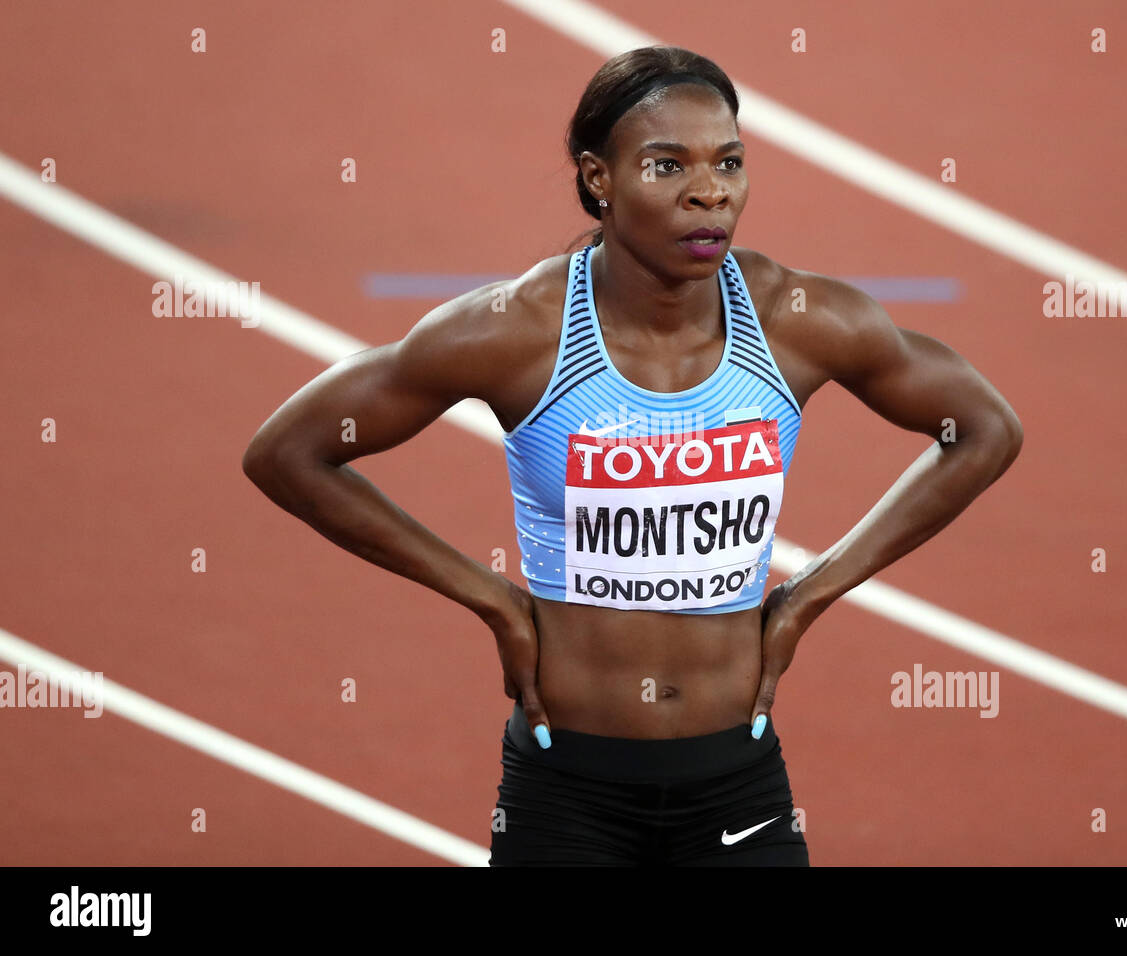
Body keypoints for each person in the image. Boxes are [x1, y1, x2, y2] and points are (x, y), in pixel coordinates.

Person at [241, 46, 1023, 867]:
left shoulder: (798, 321)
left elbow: (982, 429)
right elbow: (291, 453)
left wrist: (806, 598)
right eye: (666, 165)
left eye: (729, 161)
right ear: (598, 178)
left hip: (739, 784)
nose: (709, 191)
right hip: (569, 791)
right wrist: (492, 599)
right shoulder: (520, 332)